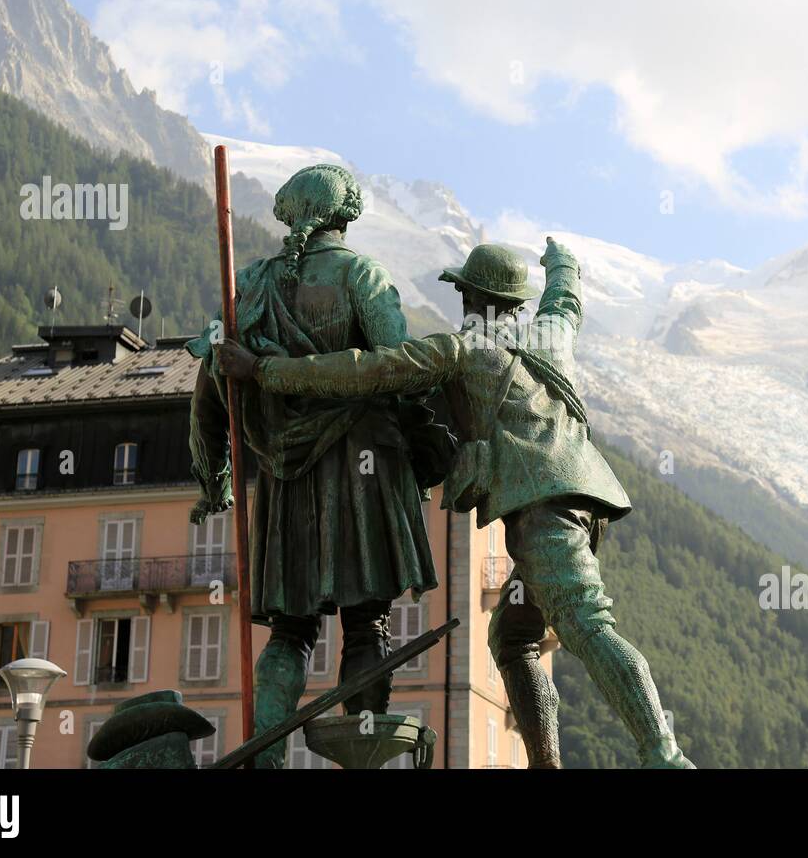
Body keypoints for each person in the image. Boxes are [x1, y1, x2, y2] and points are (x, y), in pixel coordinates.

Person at [216, 236, 693, 768]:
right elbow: (566, 299)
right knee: (513, 637)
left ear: (467, 298)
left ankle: (664, 754)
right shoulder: (550, 336)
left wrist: (263, 371)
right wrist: (561, 260)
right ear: (515, 303)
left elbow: (363, 370)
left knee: (587, 624)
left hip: (543, 511)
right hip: (588, 504)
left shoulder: (458, 351)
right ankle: (547, 763)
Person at [187, 163, 440, 768]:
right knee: (366, 619)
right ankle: (366, 754)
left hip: (285, 479)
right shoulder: (363, 277)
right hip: (365, 468)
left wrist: (214, 477)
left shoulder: (247, 288)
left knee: (291, 631)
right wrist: (423, 460)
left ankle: (264, 760)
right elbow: (397, 371)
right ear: (345, 215)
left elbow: (208, 386)